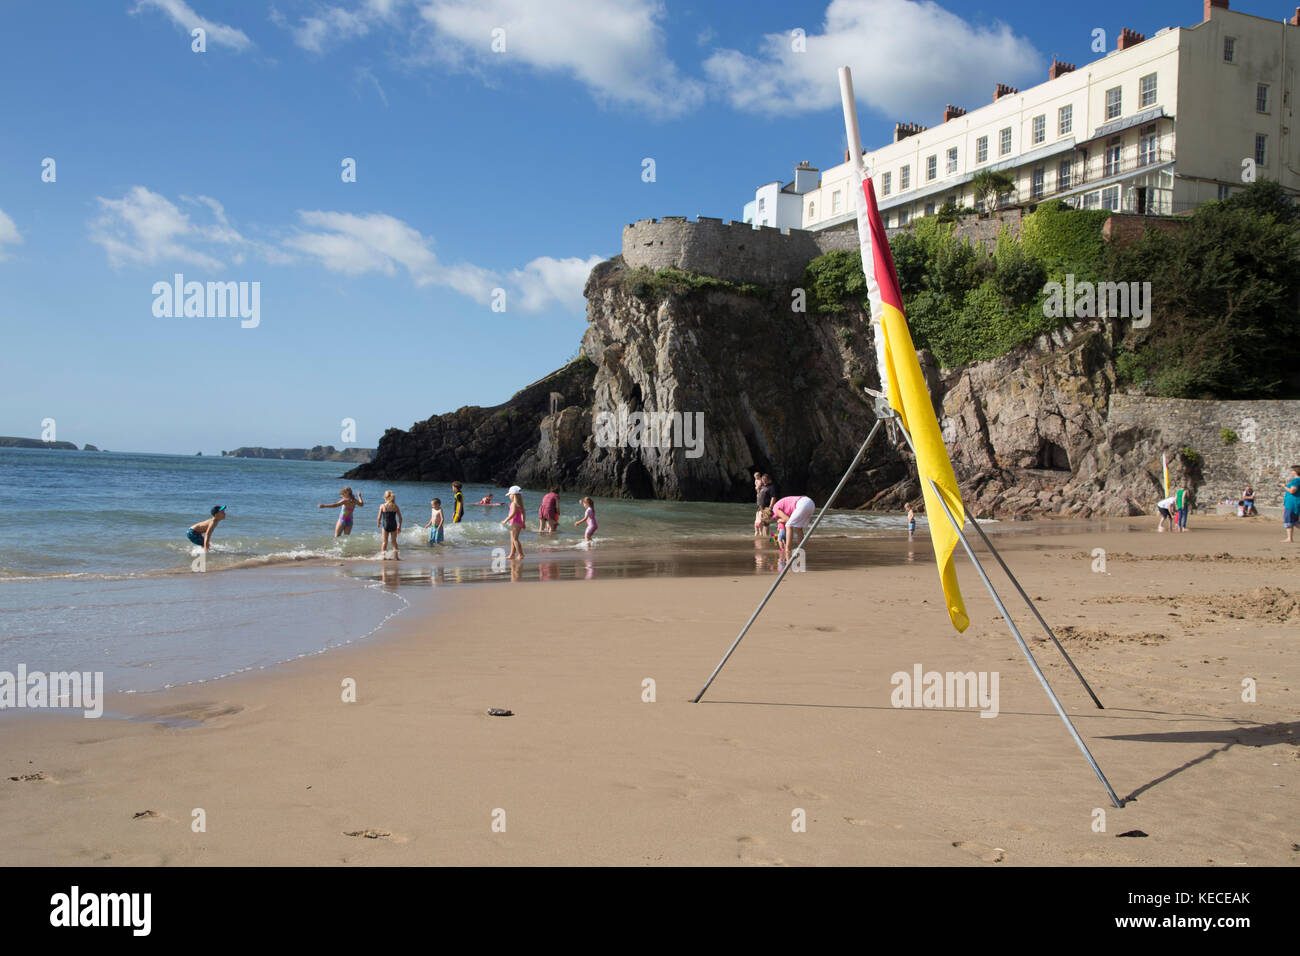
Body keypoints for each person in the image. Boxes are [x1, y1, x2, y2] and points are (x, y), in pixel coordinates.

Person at [501, 485, 525, 559]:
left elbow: (513, 513)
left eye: (510, 495)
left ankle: (521, 554)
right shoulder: (520, 504)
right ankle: (512, 554)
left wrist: (505, 520)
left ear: (513, 495)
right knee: (513, 540)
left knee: (515, 539)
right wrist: (523, 522)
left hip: (515, 523)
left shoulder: (514, 504)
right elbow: (523, 513)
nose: (509, 496)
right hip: (518, 523)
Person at [377, 490, 402, 560]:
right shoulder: (395, 506)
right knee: (394, 542)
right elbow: (400, 518)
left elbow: (379, 517)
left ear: (385, 498)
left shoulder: (382, 506)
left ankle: (383, 556)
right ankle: (396, 557)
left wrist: (378, 523)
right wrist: (399, 527)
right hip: (394, 525)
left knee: (385, 542)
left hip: (386, 525)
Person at [1282, 466, 1300, 543]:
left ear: (1295, 472)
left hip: (1292, 503)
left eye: (1292, 471)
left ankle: (1289, 538)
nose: (1291, 472)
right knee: (1295, 521)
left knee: (1289, 519)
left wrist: (1284, 486)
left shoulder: (1296, 480)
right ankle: (1289, 538)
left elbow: (1292, 491)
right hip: (1293, 502)